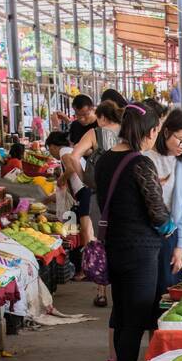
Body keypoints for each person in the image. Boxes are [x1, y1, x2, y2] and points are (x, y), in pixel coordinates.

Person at [94, 102, 175, 361]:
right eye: (155, 131)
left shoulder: (103, 161)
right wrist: (171, 229)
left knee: (124, 314)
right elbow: (157, 212)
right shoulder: (140, 162)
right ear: (150, 131)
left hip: (115, 247)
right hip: (141, 250)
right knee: (136, 320)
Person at [68, 100, 123, 304]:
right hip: (125, 193)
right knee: (121, 239)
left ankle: (101, 293)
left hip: (100, 193)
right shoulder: (129, 131)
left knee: (101, 240)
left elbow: (73, 156)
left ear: (101, 117)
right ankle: (122, 288)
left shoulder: (95, 133)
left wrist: (84, 179)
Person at [147, 108, 182, 295]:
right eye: (181, 140)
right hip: (145, 235)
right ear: (166, 132)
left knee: (168, 290)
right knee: (146, 290)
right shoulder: (145, 159)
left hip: (170, 236)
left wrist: (180, 246)